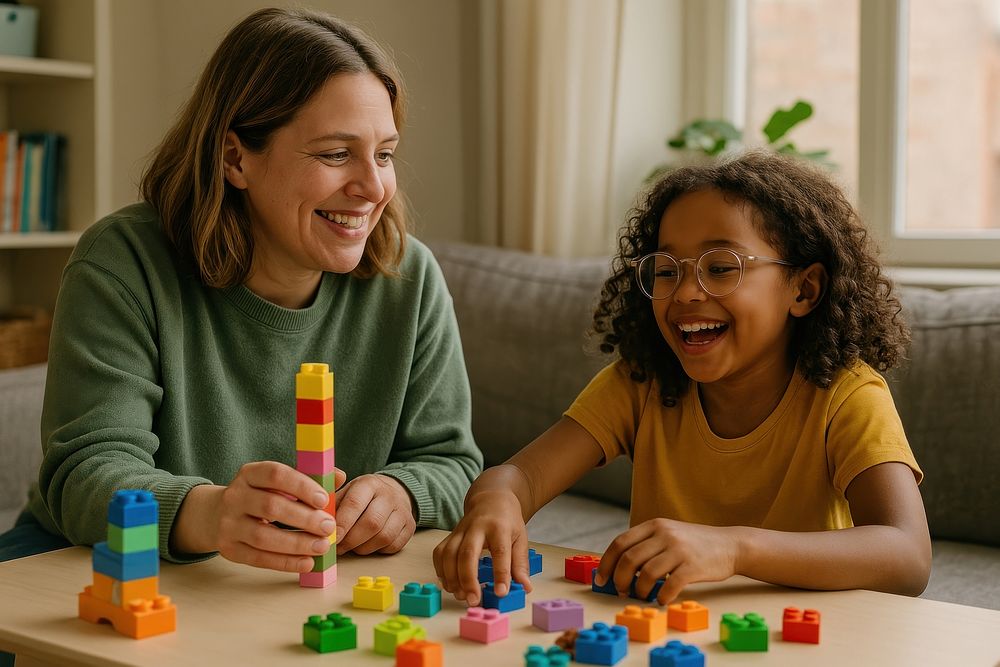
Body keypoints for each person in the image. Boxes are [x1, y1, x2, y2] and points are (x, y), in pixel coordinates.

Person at [0, 7, 482, 572]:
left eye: (384, 153)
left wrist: (402, 494)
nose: (373, 188)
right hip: (89, 562)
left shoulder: (411, 279)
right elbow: (85, 471)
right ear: (235, 158)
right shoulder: (125, 261)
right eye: (334, 153)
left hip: (285, 586)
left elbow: (452, 461)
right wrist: (209, 514)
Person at [433, 150, 931, 607]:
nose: (687, 292)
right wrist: (496, 501)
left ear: (804, 288)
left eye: (720, 267)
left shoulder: (846, 397)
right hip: (661, 634)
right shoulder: (641, 383)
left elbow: (907, 556)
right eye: (667, 270)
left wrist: (734, 548)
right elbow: (521, 476)